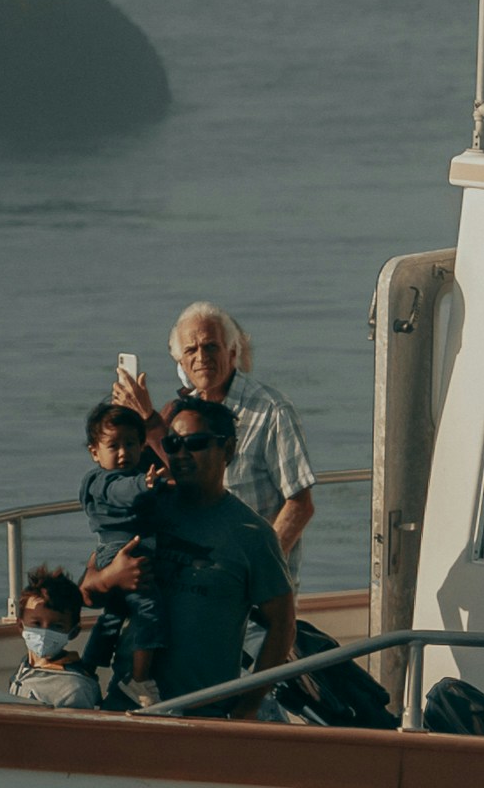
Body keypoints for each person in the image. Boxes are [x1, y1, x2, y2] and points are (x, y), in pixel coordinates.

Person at [91, 399, 299, 717]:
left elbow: (282, 625)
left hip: (204, 714)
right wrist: (110, 577)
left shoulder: (253, 535)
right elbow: (87, 593)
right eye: (172, 444)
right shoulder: (147, 507)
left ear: (227, 450)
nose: (181, 454)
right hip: (128, 704)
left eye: (196, 444)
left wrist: (248, 706)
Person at [111, 303, 315, 570]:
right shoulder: (181, 413)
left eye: (211, 347)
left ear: (232, 353)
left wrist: (261, 568)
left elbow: (300, 505)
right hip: (200, 570)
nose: (201, 357)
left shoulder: (271, 410)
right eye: (191, 350)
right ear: (181, 363)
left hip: (254, 575)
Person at [74, 398, 167, 697]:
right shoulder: (104, 482)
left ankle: (88, 666)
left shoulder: (129, 476)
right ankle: (139, 678)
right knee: (148, 608)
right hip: (119, 552)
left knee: (113, 615)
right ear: (94, 452)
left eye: (131, 444)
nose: (124, 452)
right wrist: (145, 485)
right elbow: (123, 492)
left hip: (116, 551)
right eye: (113, 446)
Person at [7, 567, 106, 708]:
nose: (44, 632)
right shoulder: (26, 665)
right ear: (20, 625)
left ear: (73, 632)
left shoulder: (76, 688)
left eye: (57, 626)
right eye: (36, 623)